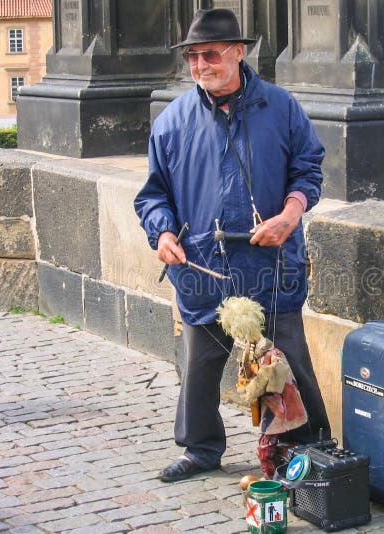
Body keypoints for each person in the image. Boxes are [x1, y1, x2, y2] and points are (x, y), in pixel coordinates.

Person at [134, 8, 331, 483]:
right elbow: (153, 194)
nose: (201, 65)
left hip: (270, 263)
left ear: (238, 54)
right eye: (193, 57)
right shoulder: (172, 121)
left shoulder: (281, 108)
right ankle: (201, 449)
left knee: (289, 360)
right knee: (200, 369)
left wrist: (289, 214)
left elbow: (309, 169)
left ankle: (311, 449)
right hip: (205, 267)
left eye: (211, 54)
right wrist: (161, 232)